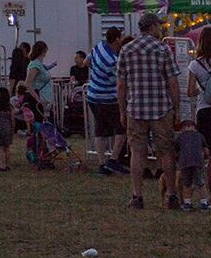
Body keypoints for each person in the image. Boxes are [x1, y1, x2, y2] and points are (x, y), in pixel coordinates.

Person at [119, 12, 182, 209]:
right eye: (160, 25)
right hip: (161, 109)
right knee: (166, 152)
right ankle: (171, 195)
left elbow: (121, 85)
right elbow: (172, 81)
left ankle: (137, 196)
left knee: (137, 153)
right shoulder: (162, 48)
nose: (161, 28)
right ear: (153, 26)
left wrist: (122, 110)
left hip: (136, 108)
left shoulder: (127, 49)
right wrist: (177, 107)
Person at [87, 27, 128, 175]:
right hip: (107, 98)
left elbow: (86, 61)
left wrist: (96, 74)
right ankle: (114, 159)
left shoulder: (98, 47)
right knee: (122, 127)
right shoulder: (113, 61)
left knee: (100, 130)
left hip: (92, 95)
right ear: (117, 39)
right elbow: (118, 82)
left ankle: (101, 163)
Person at [184, 31, 211, 144]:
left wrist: (202, 89)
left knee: (206, 145)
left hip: (203, 110)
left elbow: (190, 92)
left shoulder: (194, 65)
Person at [177, 120, 207, 211]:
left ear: (182, 129)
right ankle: (204, 203)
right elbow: (206, 150)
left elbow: (175, 149)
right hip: (198, 162)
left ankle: (187, 203)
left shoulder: (180, 137)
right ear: (194, 127)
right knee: (201, 183)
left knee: (186, 184)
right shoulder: (200, 136)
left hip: (184, 162)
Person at [23, 41, 54, 125]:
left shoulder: (39, 64)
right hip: (39, 100)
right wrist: (38, 99)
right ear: (43, 51)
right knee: (41, 124)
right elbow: (28, 83)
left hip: (44, 100)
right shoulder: (35, 65)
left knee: (45, 124)